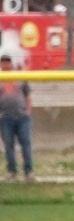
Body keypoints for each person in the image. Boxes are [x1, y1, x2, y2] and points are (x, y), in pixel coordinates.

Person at [0, 53, 32, 182]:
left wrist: (28, 111)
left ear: (11, 63)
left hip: (22, 117)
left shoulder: (20, 77)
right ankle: (12, 172)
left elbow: (27, 94)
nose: (6, 64)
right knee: (9, 145)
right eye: (3, 62)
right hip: (5, 118)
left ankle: (29, 172)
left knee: (26, 144)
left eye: (8, 62)